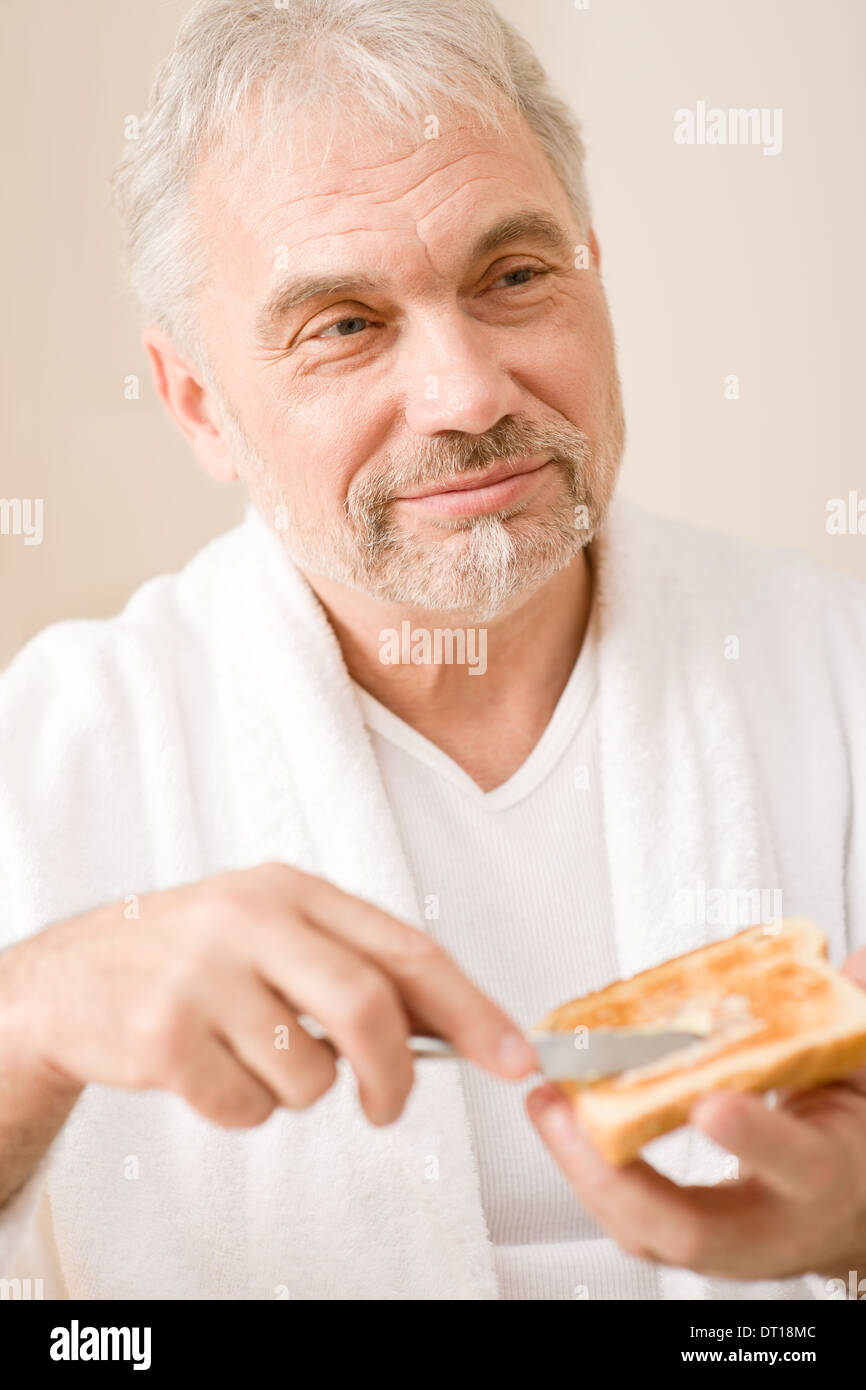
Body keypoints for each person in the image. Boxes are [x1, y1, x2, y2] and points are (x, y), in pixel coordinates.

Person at [1, 0, 865, 1301]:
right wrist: (27, 1026)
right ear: (197, 404)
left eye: (514, 277)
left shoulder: (835, 671)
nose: (467, 393)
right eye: (342, 323)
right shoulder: (52, 753)